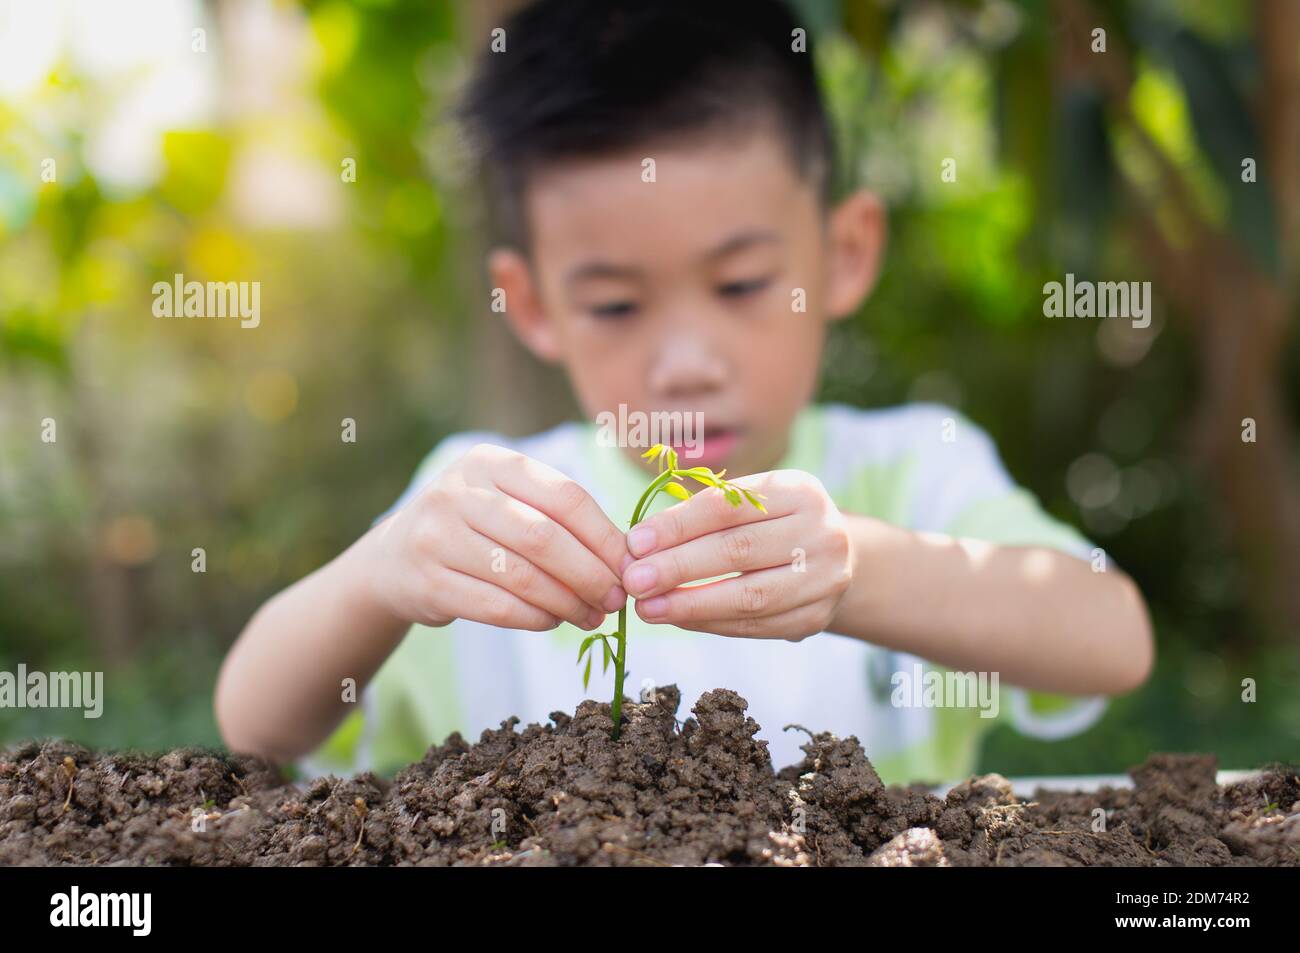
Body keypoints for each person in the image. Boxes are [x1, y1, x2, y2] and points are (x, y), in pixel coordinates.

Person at [215, 0, 1152, 783]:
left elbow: (1111, 637)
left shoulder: (909, 469)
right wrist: (380, 575)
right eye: (616, 304)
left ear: (844, 253)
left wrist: (859, 572)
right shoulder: (482, 508)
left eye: (742, 285)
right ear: (535, 306)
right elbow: (255, 731)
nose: (687, 363)